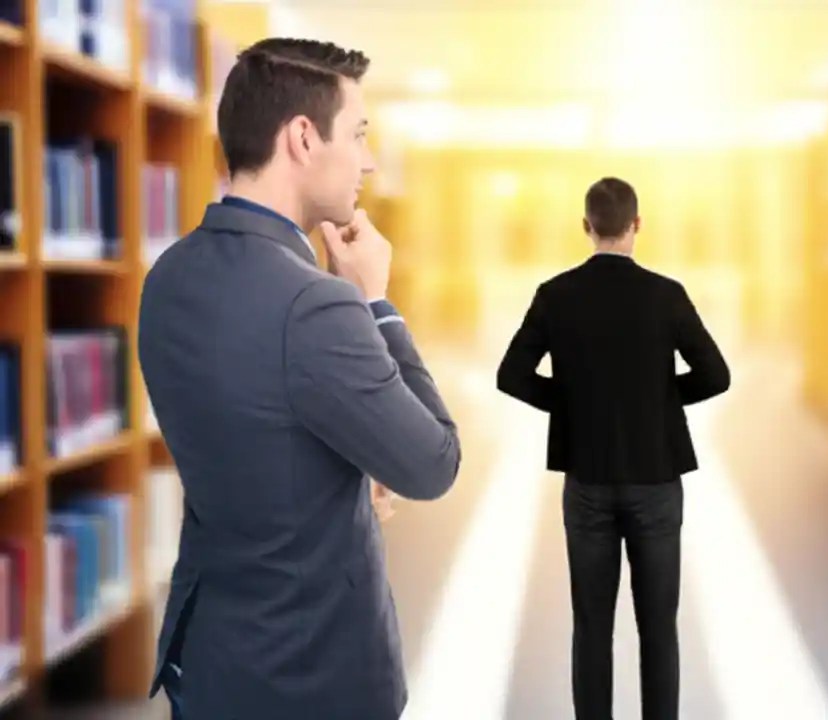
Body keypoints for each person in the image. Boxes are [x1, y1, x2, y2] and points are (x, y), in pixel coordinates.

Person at [138, 38, 461, 720]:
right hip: (309, 680)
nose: (369, 161)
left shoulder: (168, 277)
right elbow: (433, 462)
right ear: (304, 139)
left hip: (209, 665)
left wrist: (341, 479)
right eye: (360, 135)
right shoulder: (318, 303)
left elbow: (247, 432)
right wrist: (375, 300)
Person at [497, 177, 730, 719]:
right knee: (658, 631)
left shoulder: (555, 295)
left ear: (587, 227)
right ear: (637, 225)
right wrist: (659, 403)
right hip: (656, 481)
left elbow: (512, 375)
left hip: (587, 484)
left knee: (592, 630)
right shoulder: (666, 295)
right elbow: (715, 375)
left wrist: (573, 404)